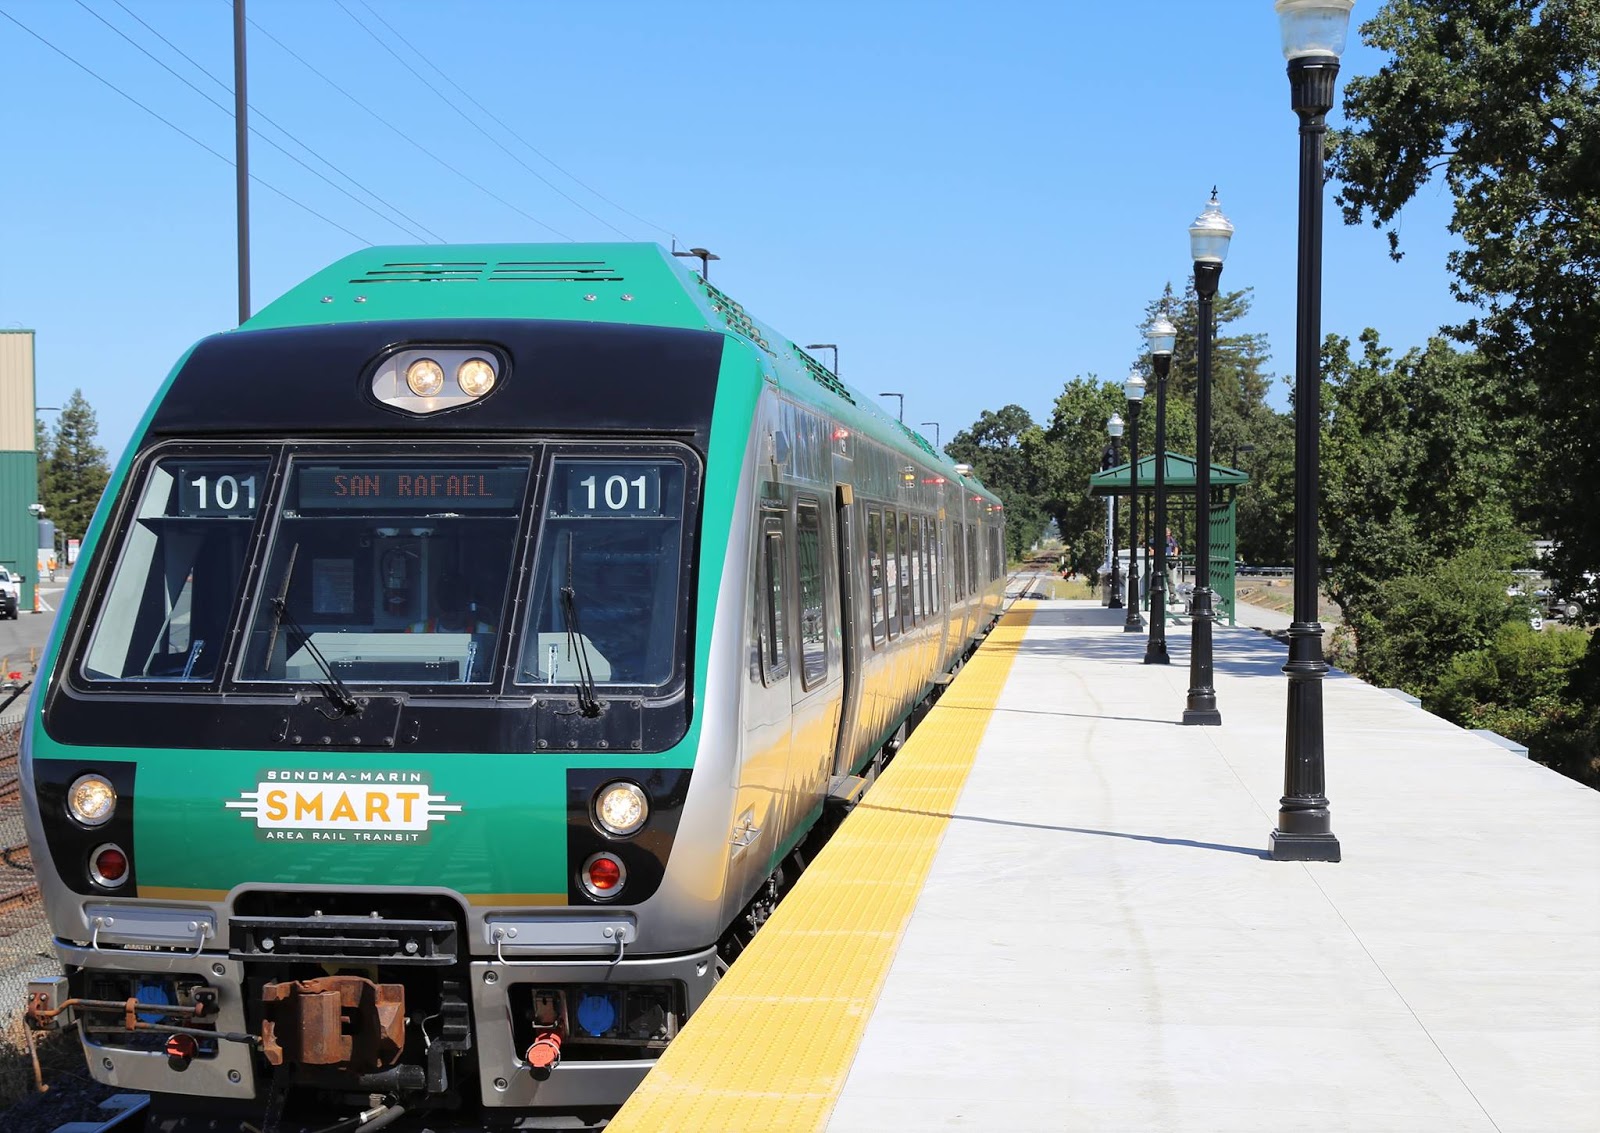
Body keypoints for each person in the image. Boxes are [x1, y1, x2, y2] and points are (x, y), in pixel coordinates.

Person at [409, 572, 494, 633]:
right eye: (445, 604)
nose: (452, 614)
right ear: (435, 602)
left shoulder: (487, 634)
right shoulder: (415, 632)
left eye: (457, 605)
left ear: (469, 602)